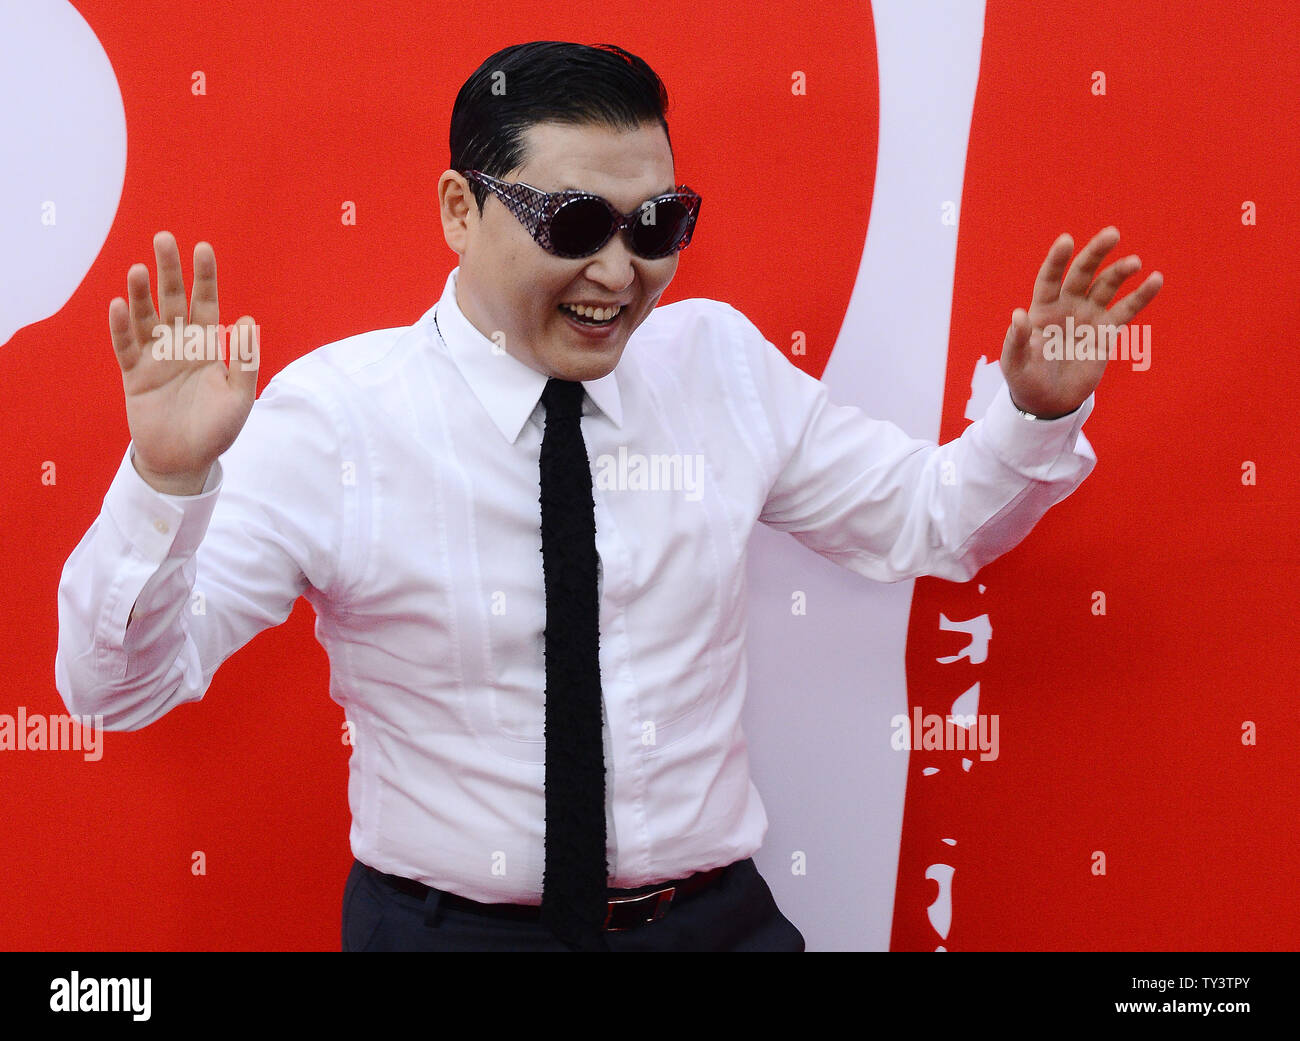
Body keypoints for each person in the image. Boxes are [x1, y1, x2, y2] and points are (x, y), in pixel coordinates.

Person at [55, 40, 1161, 952]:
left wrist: (1032, 412)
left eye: (657, 226)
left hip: (713, 926)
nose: (619, 273)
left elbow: (935, 523)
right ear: (457, 209)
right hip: (451, 936)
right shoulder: (334, 418)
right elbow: (119, 690)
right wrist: (167, 479)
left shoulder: (716, 366)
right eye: (573, 225)